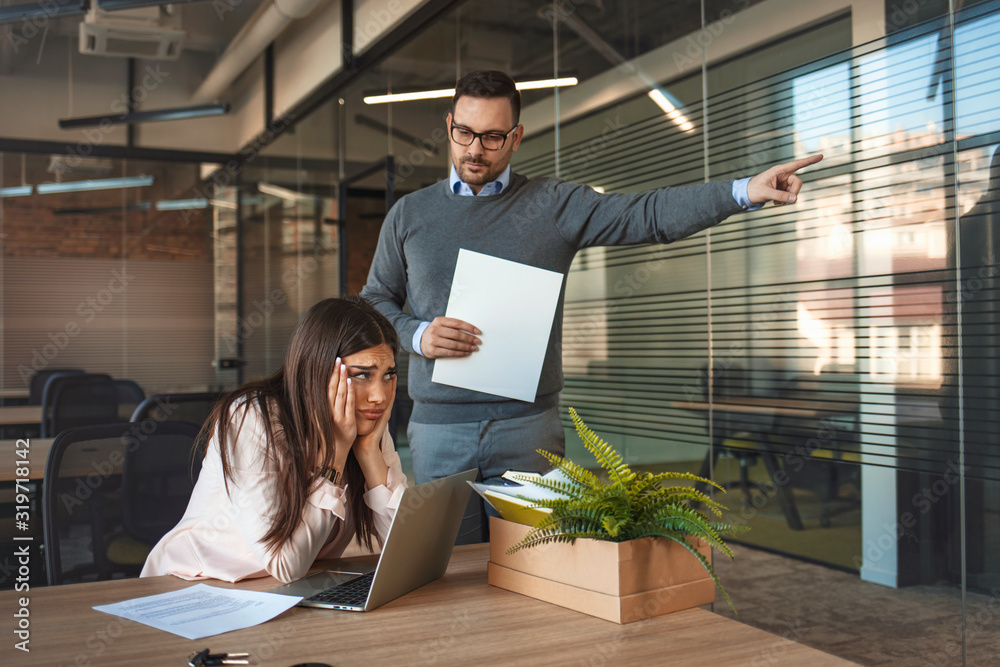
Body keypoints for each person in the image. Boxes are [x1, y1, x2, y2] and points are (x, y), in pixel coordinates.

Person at [360, 69, 822, 543]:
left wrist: (742, 191)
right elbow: (374, 301)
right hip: (439, 430)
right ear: (449, 124)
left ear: (516, 137)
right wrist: (416, 334)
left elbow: (649, 216)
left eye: (493, 137)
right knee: (449, 572)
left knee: (540, 571)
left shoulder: (555, 204)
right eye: (464, 133)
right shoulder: (409, 215)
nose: (475, 149)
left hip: (528, 429)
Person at [141, 296, 407, 583]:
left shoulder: (366, 422)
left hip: (284, 591)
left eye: (388, 375)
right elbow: (285, 564)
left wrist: (369, 455)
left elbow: (405, 551)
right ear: (318, 372)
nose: (378, 396)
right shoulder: (253, 419)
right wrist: (336, 454)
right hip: (195, 584)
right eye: (362, 375)